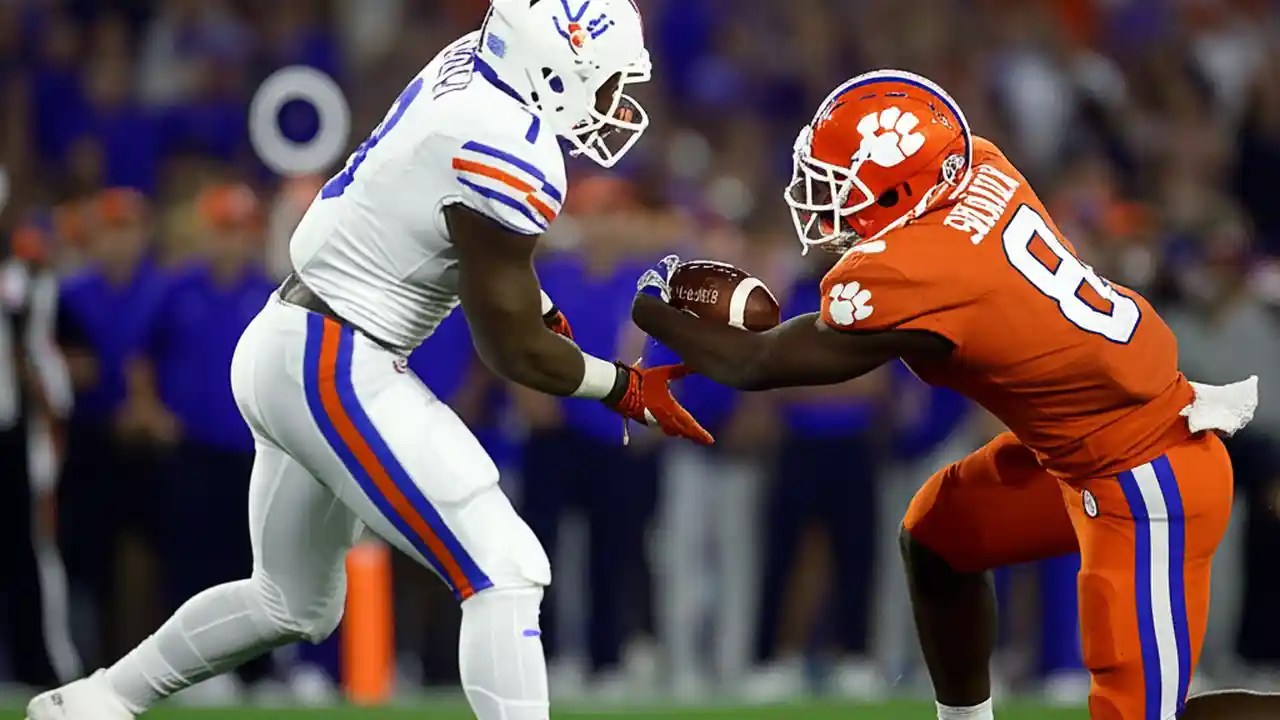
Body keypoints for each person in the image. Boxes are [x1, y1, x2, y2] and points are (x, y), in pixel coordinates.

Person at [27, 2, 710, 719]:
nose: (613, 102)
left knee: (290, 602)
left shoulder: (472, 67)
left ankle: (97, 700)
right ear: (552, 67)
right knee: (505, 567)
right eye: (604, 80)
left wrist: (539, 309)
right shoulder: (510, 145)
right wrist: (622, 385)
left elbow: (458, 231)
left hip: (289, 336)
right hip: (337, 358)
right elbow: (511, 348)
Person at [630, 69, 1276, 720]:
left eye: (841, 187)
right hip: (1084, 448)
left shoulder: (921, 271)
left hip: (1148, 473)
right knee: (940, 538)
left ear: (902, 189)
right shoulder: (978, 165)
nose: (825, 206)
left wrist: (653, 303)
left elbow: (754, 362)